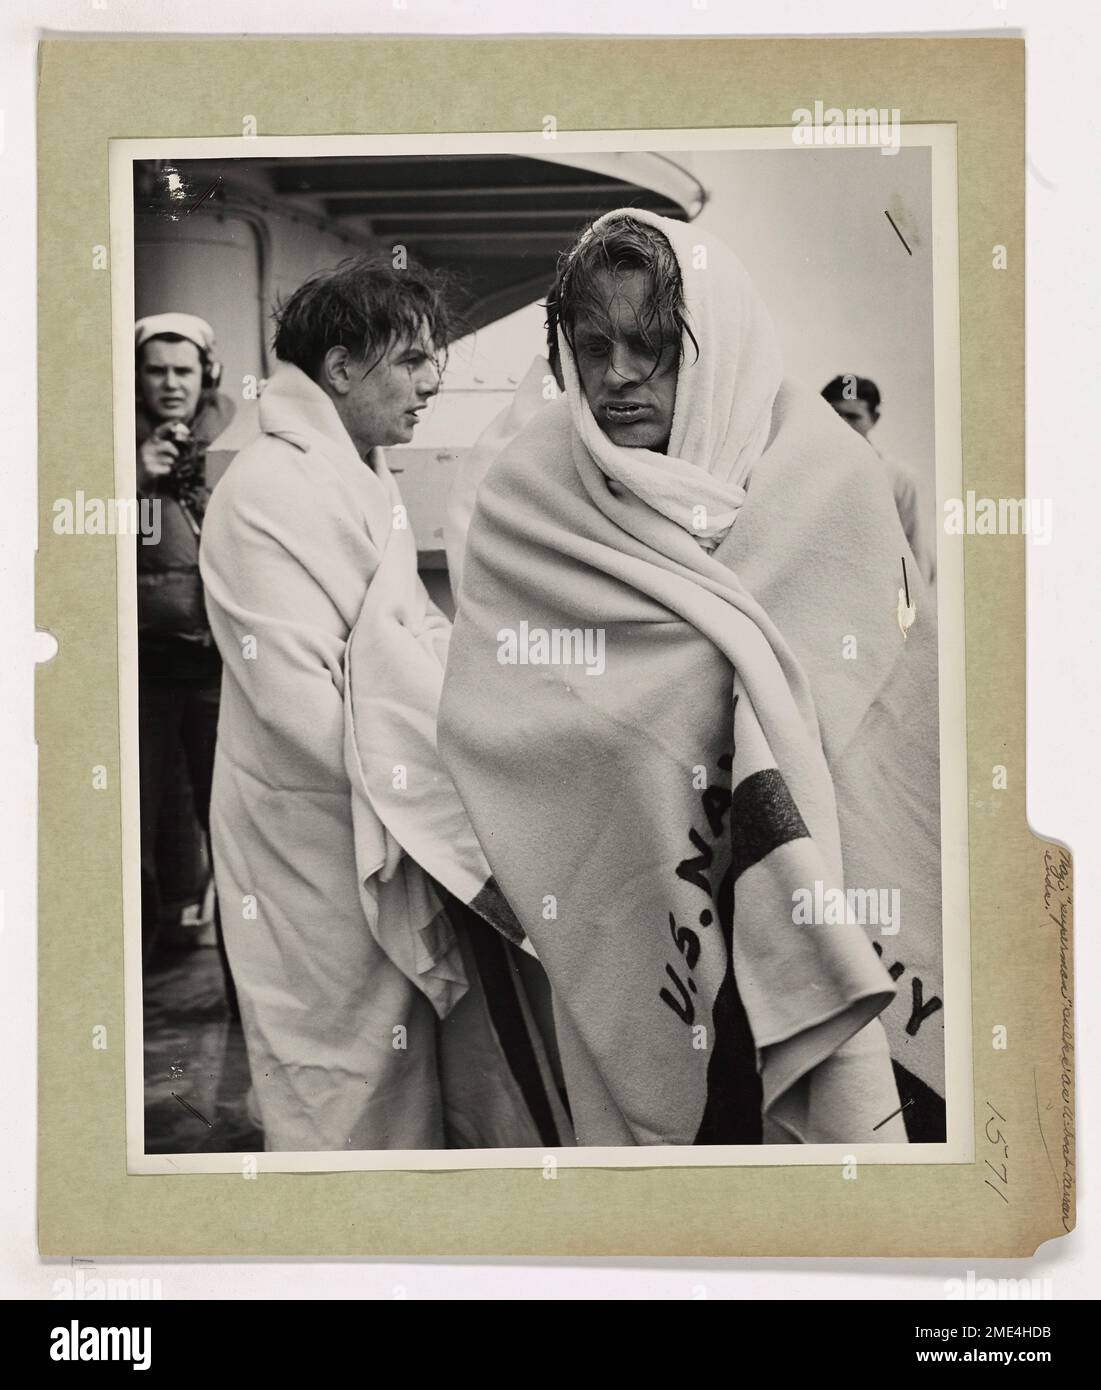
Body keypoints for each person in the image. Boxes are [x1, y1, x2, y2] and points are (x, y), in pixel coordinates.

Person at [439, 211, 946, 1147]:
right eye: (592, 346)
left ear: (719, 350)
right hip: (642, 940)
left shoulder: (829, 480)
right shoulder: (531, 495)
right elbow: (491, 723)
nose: (619, 374)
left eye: (654, 345)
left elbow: (895, 712)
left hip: (847, 919)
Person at [199, 256, 567, 1152]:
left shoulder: (356, 476)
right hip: (316, 834)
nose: (430, 384)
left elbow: (411, 632)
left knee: (414, 1067)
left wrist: (496, 713)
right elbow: (295, 702)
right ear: (338, 368)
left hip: (383, 814)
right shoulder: (262, 492)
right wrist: (427, 795)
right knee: (341, 1071)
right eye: (409, 362)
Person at [135, 314, 237, 1009]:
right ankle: (126, 989)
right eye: (156, 371)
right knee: (127, 834)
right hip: (135, 672)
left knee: (228, 828)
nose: (170, 384)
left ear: (206, 376)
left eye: (183, 371)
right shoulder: (105, 447)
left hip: (214, 670)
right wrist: (133, 480)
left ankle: (243, 987)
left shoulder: (236, 445)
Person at [821, 373, 936, 586]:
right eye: (835, 413)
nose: (843, 423)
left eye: (853, 416)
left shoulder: (899, 478)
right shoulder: (807, 468)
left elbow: (916, 549)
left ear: (874, 419)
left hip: (877, 591)